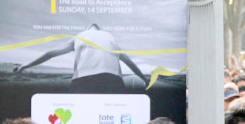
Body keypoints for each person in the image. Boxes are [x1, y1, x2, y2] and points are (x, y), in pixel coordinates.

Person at [15, 23, 148, 92]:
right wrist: (144, 79)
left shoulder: (80, 36)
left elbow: (50, 53)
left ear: (87, 29)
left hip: (84, 81)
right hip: (113, 81)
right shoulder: (110, 38)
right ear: (99, 30)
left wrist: (25, 65)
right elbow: (130, 63)